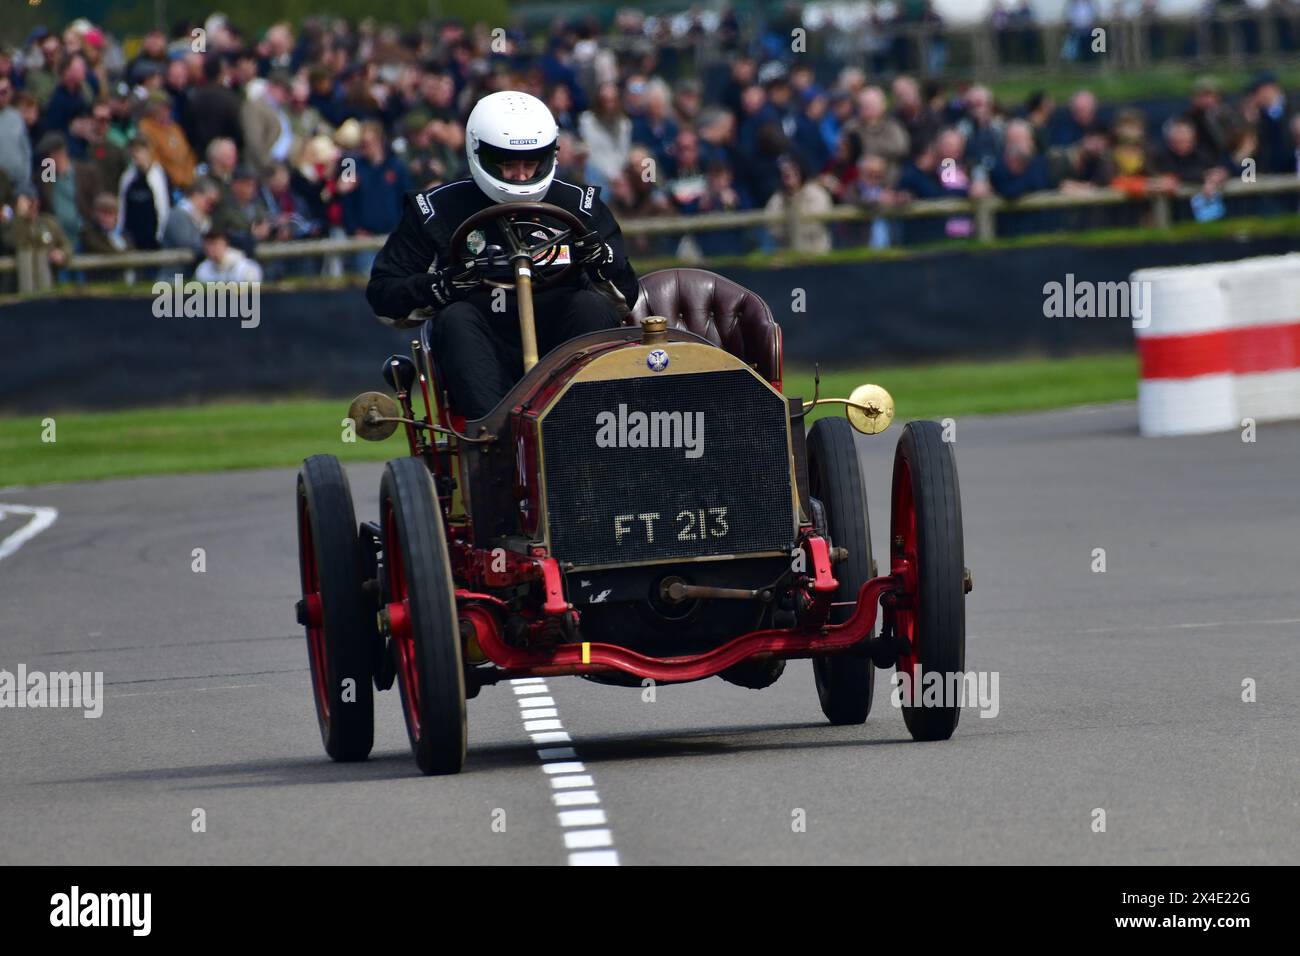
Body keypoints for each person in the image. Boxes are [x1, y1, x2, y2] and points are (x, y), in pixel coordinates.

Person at [367, 91, 638, 420]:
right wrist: (439, 287)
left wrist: (601, 262)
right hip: (481, 344)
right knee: (455, 319)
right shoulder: (435, 210)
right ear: (480, 153)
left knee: (592, 307)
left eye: (530, 163)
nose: (522, 175)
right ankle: (493, 443)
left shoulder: (580, 204)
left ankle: (583, 428)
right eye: (508, 164)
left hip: (562, 342)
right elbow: (383, 294)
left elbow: (627, 297)